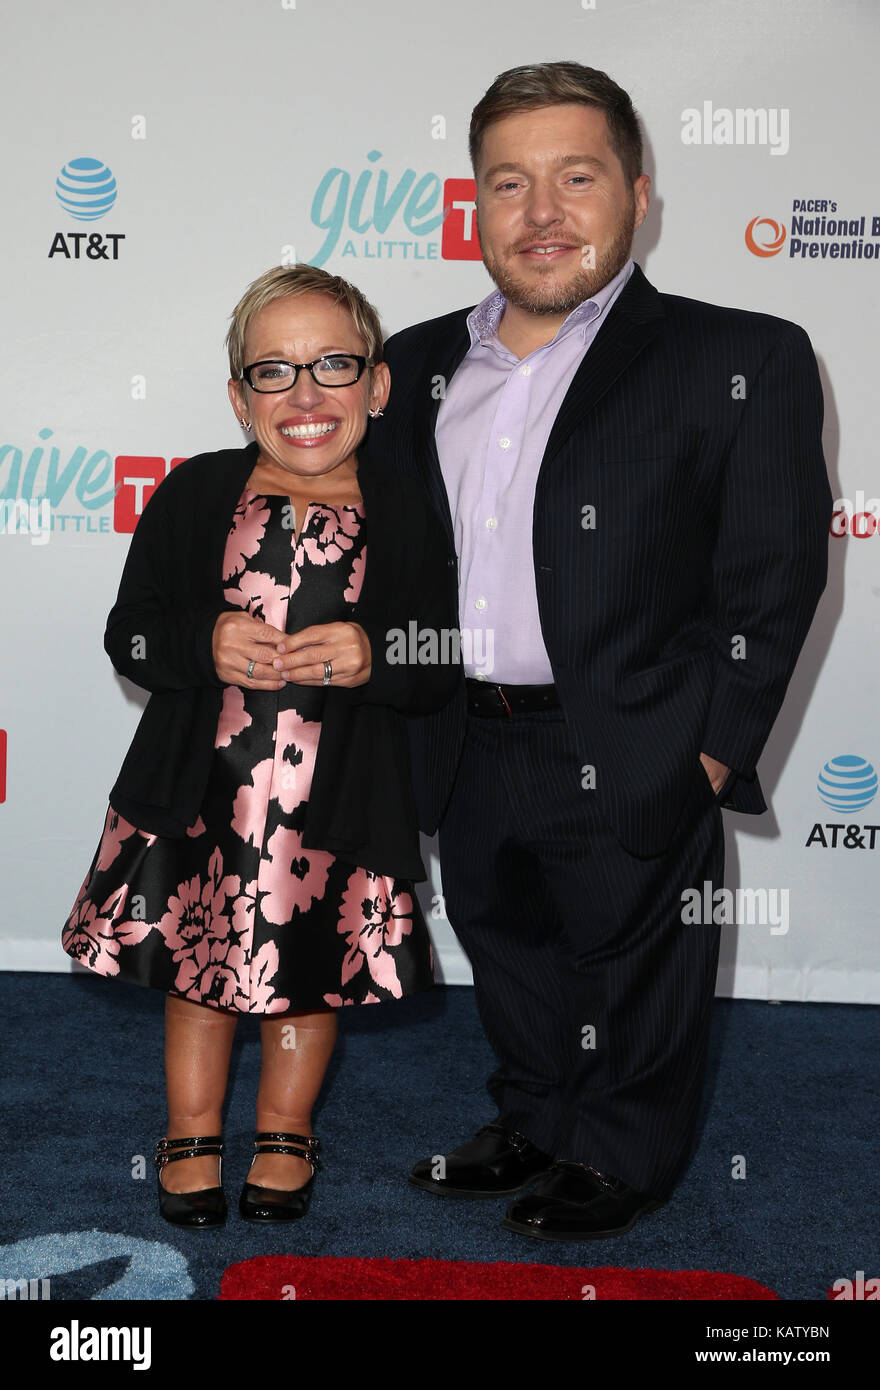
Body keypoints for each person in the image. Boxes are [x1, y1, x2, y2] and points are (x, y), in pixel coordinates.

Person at [363, 62, 832, 1241]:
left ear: (638, 193)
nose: (541, 212)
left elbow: (775, 572)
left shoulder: (743, 354)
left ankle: (621, 1152)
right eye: (508, 183)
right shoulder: (410, 364)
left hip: (632, 728)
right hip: (460, 730)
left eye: (576, 176)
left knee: (636, 968)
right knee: (507, 944)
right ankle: (534, 1116)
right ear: (473, 204)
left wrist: (715, 750)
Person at [62, 264, 459, 1229]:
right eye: (274, 372)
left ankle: (287, 1129)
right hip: (204, 794)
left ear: (379, 384)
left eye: (333, 364)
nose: (306, 394)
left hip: (337, 800)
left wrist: (376, 654)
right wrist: (200, 642)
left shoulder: (410, 505)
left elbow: (443, 653)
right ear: (240, 397)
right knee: (198, 982)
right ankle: (189, 1129)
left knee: (303, 979)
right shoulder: (198, 490)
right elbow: (132, 634)